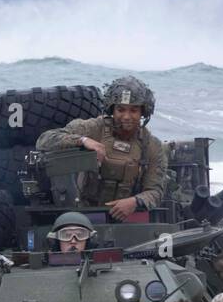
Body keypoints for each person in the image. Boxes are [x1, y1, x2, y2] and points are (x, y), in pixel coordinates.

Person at [35, 76, 167, 221]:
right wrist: (83, 140)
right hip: (84, 214)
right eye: (121, 110)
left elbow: (155, 191)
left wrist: (135, 202)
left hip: (127, 215)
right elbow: (45, 140)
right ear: (112, 110)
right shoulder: (94, 128)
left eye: (134, 110)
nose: (127, 116)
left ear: (143, 112)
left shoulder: (151, 146)